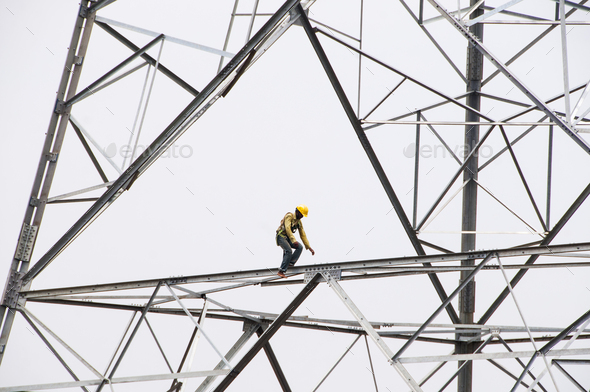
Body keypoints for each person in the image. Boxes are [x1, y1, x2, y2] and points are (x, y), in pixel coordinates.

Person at [276, 205, 315, 278]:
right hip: (281, 236)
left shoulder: (299, 222)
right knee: (288, 251)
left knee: (300, 247)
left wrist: (309, 247)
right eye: (301, 214)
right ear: (297, 212)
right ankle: (281, 271)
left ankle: (290, 263)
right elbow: (287, 229)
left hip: (288, 238)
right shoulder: (289, 216)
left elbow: (303, 235)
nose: (302, 217)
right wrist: (294, 241)